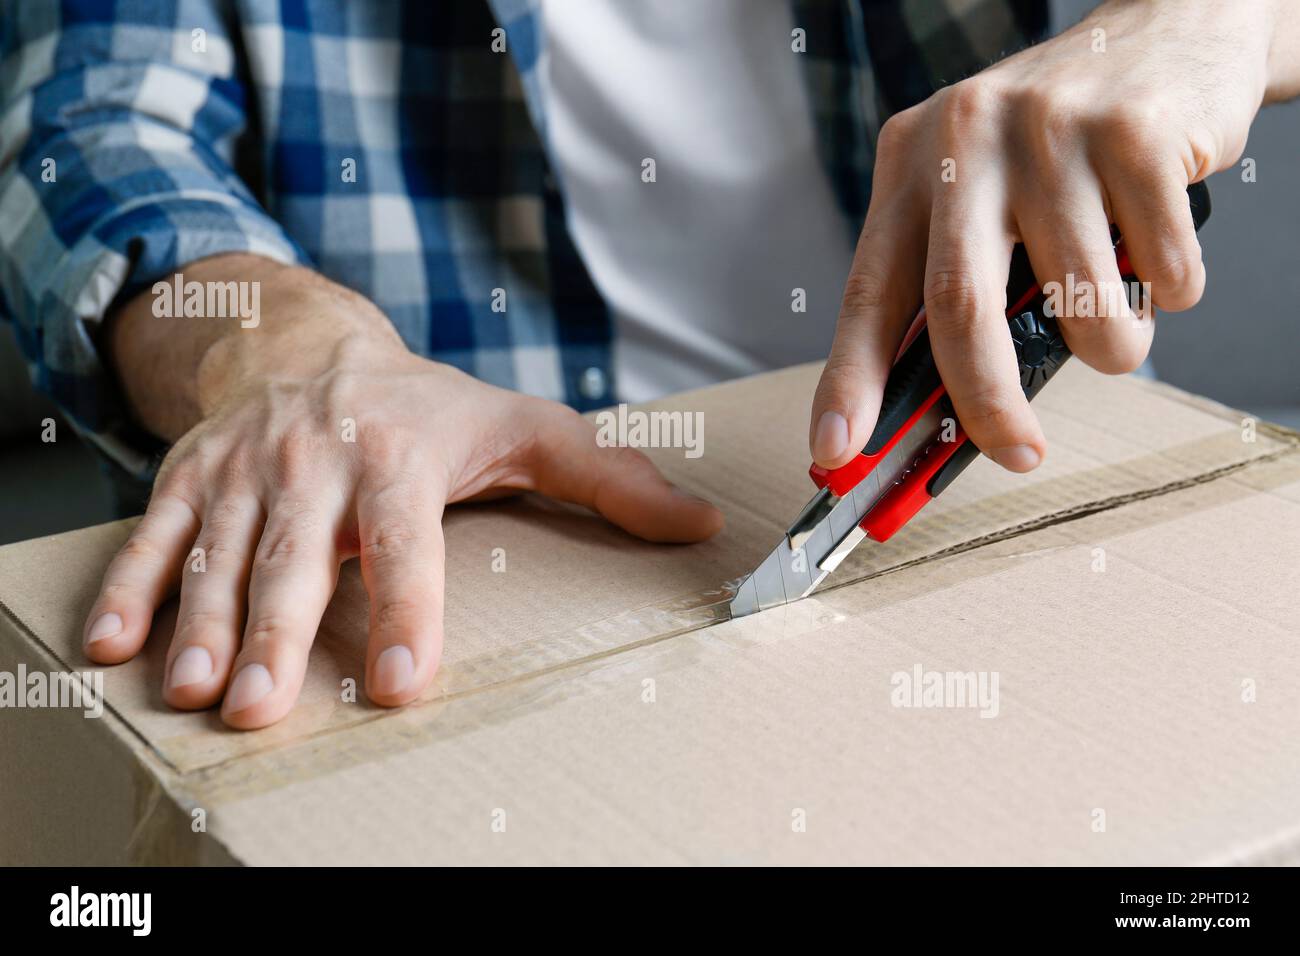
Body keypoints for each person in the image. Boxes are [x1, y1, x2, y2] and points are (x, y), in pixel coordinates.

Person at [2, 1, 1296, 729]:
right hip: (454, 522)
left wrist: (1220, 22)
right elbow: (86, 128)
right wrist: (281, 346)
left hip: (902, 531)